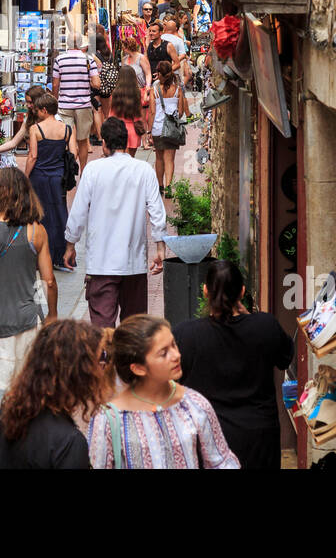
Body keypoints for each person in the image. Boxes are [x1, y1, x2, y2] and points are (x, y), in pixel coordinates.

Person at [0, 167, 58, 434]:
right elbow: (49, 280)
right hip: (25, 322)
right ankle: (20, 445)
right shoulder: (36, 231)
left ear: (1, 191)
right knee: (22, 388)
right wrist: (52, 316)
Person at [174, 260, 295, 469]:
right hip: (259, 435)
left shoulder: (185, 334)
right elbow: (285, 358)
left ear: (205, 291)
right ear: (242, 291)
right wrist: (251, 318)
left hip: (207, 435)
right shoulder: (265, 326)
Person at [86, 314, 239, 469]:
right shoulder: (108, 418)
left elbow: (221, 461)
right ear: (138, 368)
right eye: (163, 352)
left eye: (174, 345)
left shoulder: (194, 404)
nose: (176, 355)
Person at [64, 118, 167, 329]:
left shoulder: (93, 170)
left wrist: (70, 244)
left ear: (104, 143)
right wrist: (160, 247)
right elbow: (157, 211)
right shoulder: (144, 170)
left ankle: (105, 362)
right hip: (134, 263)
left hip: (101, 264)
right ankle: (129, 363)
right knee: (135, 330)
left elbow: (78, 212)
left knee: (102, 330)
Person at [0, 319, 113, 469]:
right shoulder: (69, 442)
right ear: (80, 371)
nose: (103, 367)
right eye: (102, 357)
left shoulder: (4, 417)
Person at [23, 91, 74, 271]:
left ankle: (40, 256)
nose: (35, 113)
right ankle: (61, 255)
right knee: (60, 214)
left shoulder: (36, 129)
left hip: (39, 177)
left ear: (44, 110)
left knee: (40, 215)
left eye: (37, 110)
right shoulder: (67, 129)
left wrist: (25, 176)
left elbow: (33, 156)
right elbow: (72, 153)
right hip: (58, 176)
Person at [52, 38, 100, 171]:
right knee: (83, 140)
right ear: (80, 44)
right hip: (83, 105)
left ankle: (68, 169)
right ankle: (83, 171)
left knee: (66, 138)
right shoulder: (88, 60)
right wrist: (86, 80)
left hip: (64, 105)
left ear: (67, 44)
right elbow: (97, 84)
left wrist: (55, 100)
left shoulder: (59, 60)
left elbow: (55, 84)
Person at [0, 84, 46, 164]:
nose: (28, 105)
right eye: (27, 102)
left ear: (39, 101)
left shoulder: (52, 119)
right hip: (37, 164)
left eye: (30, 102)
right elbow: (14, 142)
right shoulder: (29, 119)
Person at [151, 60, 184, 196]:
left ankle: (160, 186)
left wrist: (149, 130)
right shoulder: (177, 90)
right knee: (169, 159)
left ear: (159, 73)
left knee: (159, 158)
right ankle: (169, 187)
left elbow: (152, 112)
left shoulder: (154, 90)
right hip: (172, 129)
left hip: (157, 128)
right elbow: (180, 112)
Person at [109, 65, 146, 151]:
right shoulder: (137, 93)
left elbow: (111, 115)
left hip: (118, 130)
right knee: (130, 161)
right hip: (133, 129)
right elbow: (139, 115)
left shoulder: (115, 94)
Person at [91, 29, 117, 146]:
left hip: (97, 85)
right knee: (107, 113)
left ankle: (100, 137)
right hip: (108, 85)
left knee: (97, 111)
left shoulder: (94, 55)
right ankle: (109, 135)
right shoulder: (109, 54)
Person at [162, 17, 192, 88]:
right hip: (174, 70)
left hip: (161, 70)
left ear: (165, 28)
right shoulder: (178, 40)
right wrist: (174, 61)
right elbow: (183, 54)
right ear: (175, 29)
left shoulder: (160, 38)